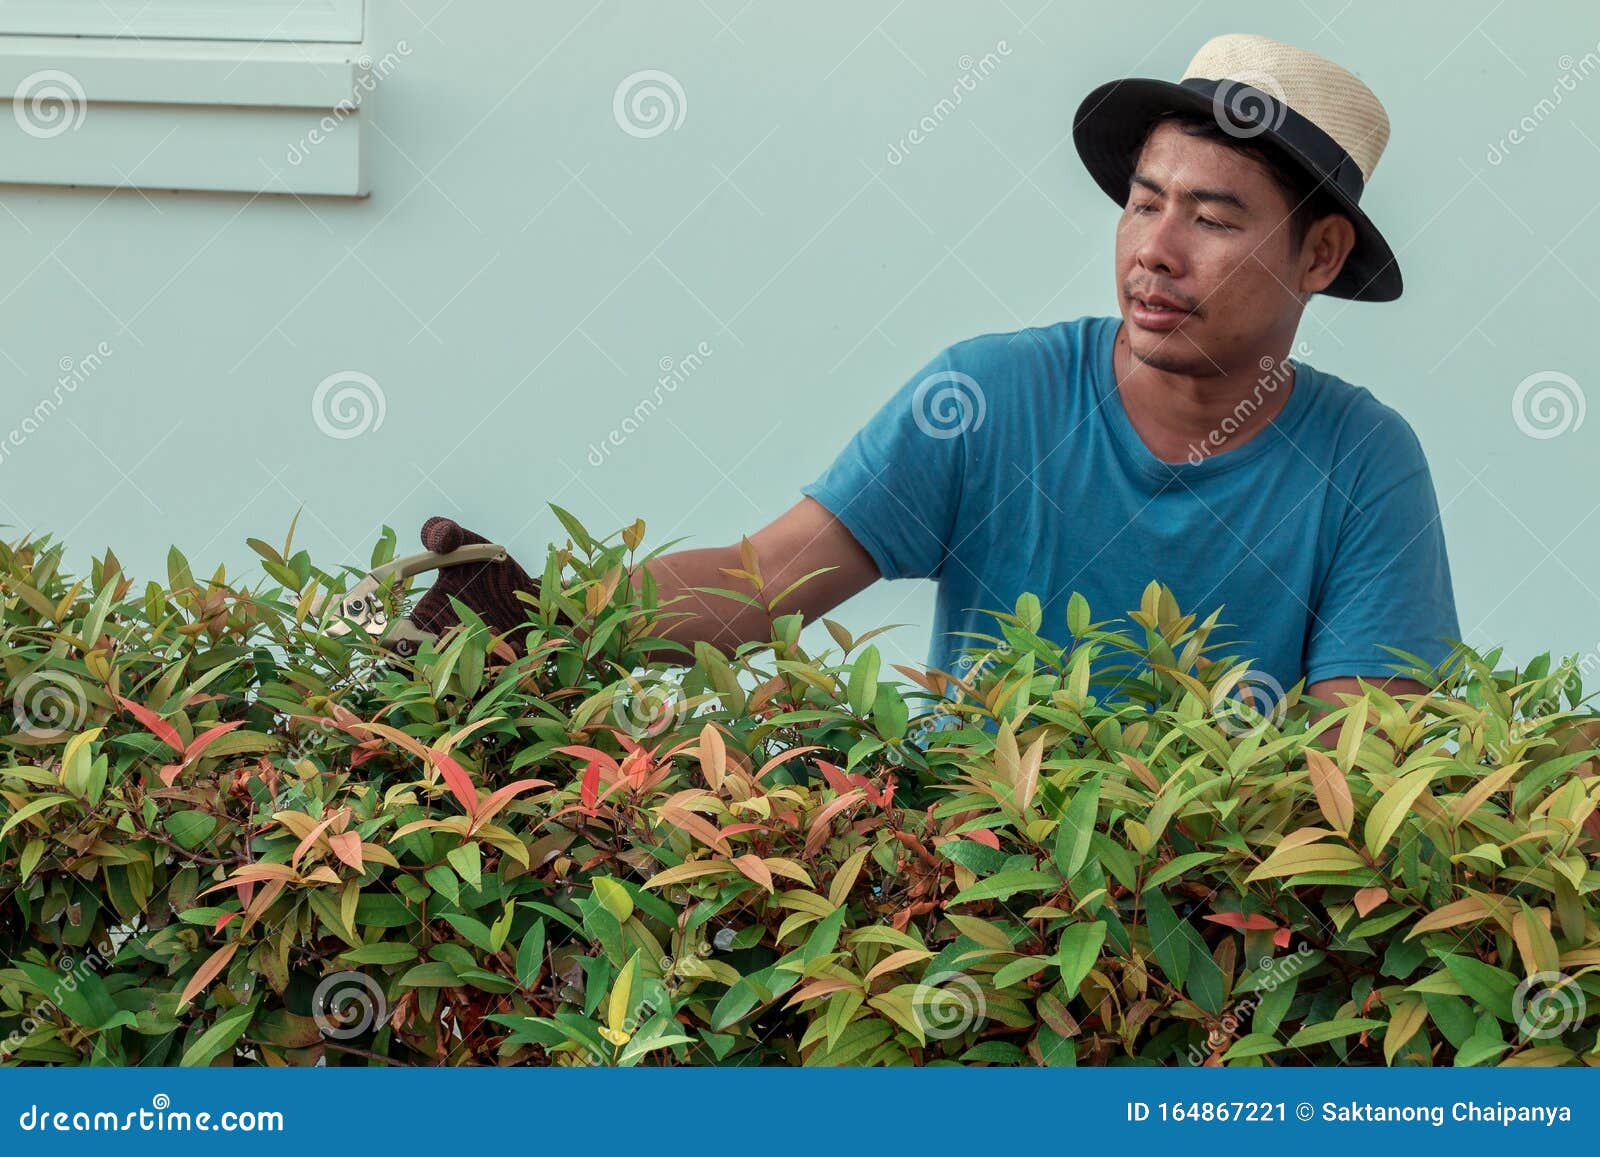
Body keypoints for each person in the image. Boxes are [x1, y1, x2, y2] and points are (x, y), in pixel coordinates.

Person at [412, 33, 1460, 716]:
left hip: (1206, 958)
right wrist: (547, 606)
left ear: (1318, 256)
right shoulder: (989, 400)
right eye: (1143, 202)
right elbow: (764, 581)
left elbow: (1352, 768)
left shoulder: (1362, 464)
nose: (1154, 248)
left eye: (1213, 218)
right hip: (958, 920)